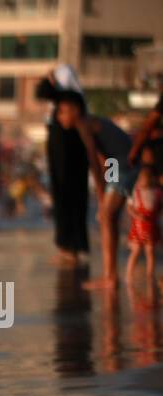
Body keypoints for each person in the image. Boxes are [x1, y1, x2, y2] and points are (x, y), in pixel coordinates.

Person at [55, 90, 135, 289]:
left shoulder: (83, 124)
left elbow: (93, 158)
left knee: (106, 217)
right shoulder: (89, 123)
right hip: (119, 164)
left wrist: (101, 194)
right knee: (108, 218)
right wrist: (107, 187)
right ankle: (110, 276)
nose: (59, 117)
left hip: (126, 164)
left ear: (75, 110)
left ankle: (110, 278)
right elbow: (106, 156)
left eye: (63, 111)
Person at [36, 68, 89, 265]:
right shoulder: (66, 99)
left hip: (69, 162)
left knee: (69, 204)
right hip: (61, 161)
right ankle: (66, 247)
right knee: (62, 203)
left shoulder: (70, 97)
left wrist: (49, 81)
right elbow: (43, 95)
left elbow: (42, 92)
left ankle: (71, 248)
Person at [125, 164, 160, 293]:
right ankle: (128, 275)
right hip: (139, 227)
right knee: (136, 250)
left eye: (144, 179)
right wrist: (137, 215)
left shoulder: (157, 192)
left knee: (150, 251)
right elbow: (129, 208)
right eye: (140, 179)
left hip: (151, 227)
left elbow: (159, 208)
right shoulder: (135, 192)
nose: (142, 181)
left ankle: (150, 275)